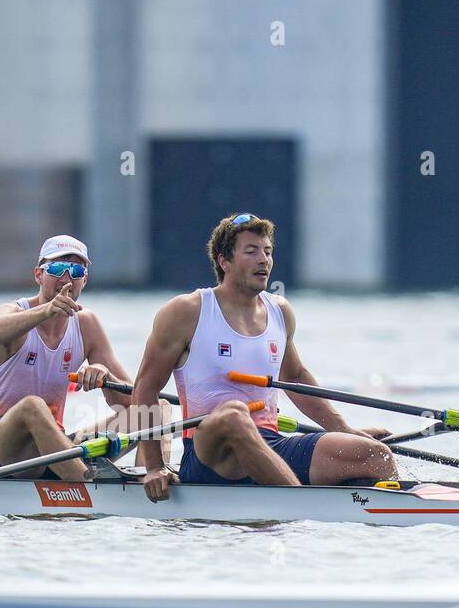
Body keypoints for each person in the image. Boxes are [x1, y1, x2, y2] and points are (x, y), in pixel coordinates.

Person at [130, 213, 398, 501]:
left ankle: (354, 501)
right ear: (224, 262)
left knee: (375, 455)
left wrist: (344, 430)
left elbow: (294, 378)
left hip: (270, 443)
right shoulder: (186, 311)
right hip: (212, 454)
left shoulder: (280, 311)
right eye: (251, 251)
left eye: (268, 251)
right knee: (235, 414)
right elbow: (145, 388)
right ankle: (299, 505)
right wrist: (155, 467)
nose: (264, 260)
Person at [0, 234, 135, 480]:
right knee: (33, 406)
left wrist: (105, 375)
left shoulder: (86, 324)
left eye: (76, 270)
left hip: (54, 447)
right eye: (58, 268)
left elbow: (132, 401)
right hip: (3, 450)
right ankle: (85, 485)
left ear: (85, 279)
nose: (66, 278)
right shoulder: (12, 313)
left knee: (154, 411)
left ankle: (154, 481)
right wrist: (47, 310)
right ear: (38, 275)